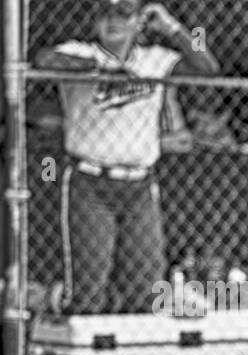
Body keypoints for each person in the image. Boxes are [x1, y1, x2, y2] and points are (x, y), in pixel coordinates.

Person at [35, 0, 220, 315]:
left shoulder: (153, 60)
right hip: (90, 182)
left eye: (124, 14)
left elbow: (207, 67)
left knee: (146, 290)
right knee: (88, 294)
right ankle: (45, 305)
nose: (114, 21)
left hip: (140, 186)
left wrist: (172, 27)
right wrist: (100, 70)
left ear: (139, 22)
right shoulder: (82, 52)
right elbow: (44, 59)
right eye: (105, 13)